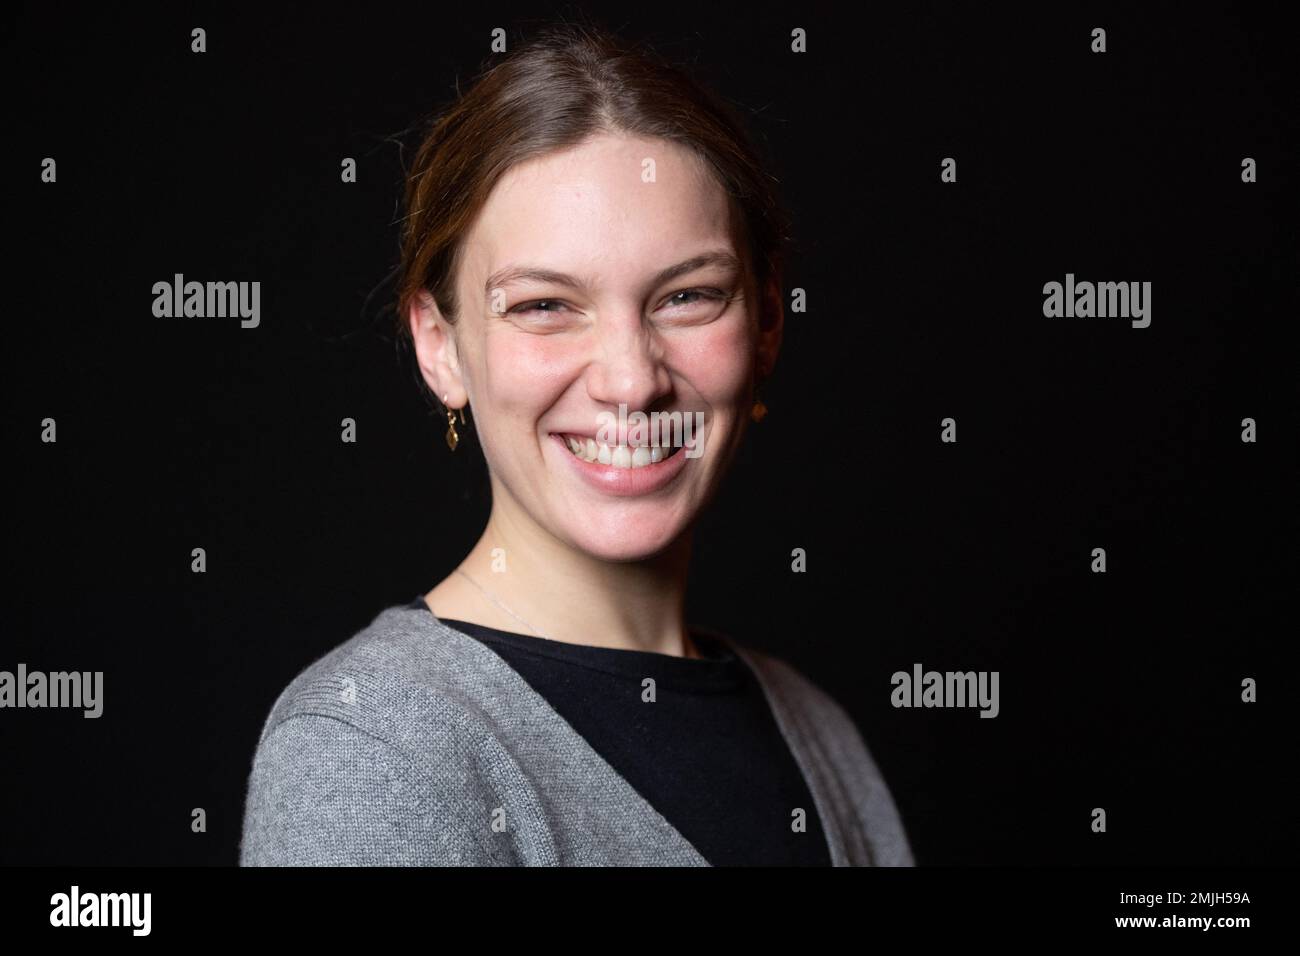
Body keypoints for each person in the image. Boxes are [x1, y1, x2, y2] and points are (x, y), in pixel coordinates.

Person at [239, 22, 914, 866]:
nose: (631, 382)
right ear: (439, 344)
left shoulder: (818, 730)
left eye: (689, 296)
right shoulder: (373, 745)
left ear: (768, 321)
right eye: (544, 306)